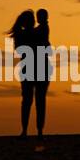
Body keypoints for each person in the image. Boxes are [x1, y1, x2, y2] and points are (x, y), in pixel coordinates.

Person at [9, 10, 38, 137]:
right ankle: (26, 130)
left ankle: (27, 130)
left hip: (30, 68)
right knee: (29, 100)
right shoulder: (23, 34)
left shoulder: (21, 34)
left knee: (27, 100)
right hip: (29, 68)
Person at [32, 8, 51, 137]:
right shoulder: (41, 29)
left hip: (42, 66)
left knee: (39, 99)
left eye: (39, 16)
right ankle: (39, 129)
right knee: (40, 99)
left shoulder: (42, 29)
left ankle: (39, 129)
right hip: (41, 65)